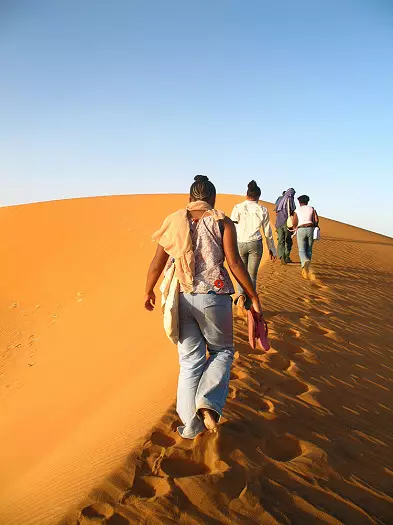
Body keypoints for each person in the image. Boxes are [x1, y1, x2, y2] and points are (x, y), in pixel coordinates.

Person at [144, 175, 263, 439]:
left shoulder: (174, 221)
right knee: (222, 351)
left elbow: (156, 262)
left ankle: (190, 429)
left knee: (189, 363)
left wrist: (148, 291)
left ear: (190, 198)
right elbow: (234, 264)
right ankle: (208, 403)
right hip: (214, 296)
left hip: (182, 298)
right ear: (212, 198)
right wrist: (252, 295)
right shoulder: (222, 222)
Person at [230, 180, 277, 307]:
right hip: (256, 243)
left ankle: (240, 297)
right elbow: (267, 231)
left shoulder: (238, 207)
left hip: (240, 243)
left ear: (247, 195)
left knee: (241, 273)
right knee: (252, 275)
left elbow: (232, 227)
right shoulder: (262, 209)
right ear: (258, 197)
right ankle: (249, 304)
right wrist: (272, 248)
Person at [292, 195, 319, 277]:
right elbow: (316, 220)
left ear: (299, 202)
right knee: (309, 250)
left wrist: (294, 228)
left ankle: (304, 263)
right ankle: (307, 268)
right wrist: (315, 225)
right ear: (307, 202)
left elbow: (294, 222)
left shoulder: (297, 210)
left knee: (301, 250)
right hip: (310, 229)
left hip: (301, 229)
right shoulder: (312, 208)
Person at [275, 188, 296, 264]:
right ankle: (286, 257)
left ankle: (281, 257)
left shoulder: (279, 200)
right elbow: (293, 210)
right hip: (287, 223)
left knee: (281, 240)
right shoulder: (290, 199)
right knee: (288, 240)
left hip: (279, 223)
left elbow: (276, 211)